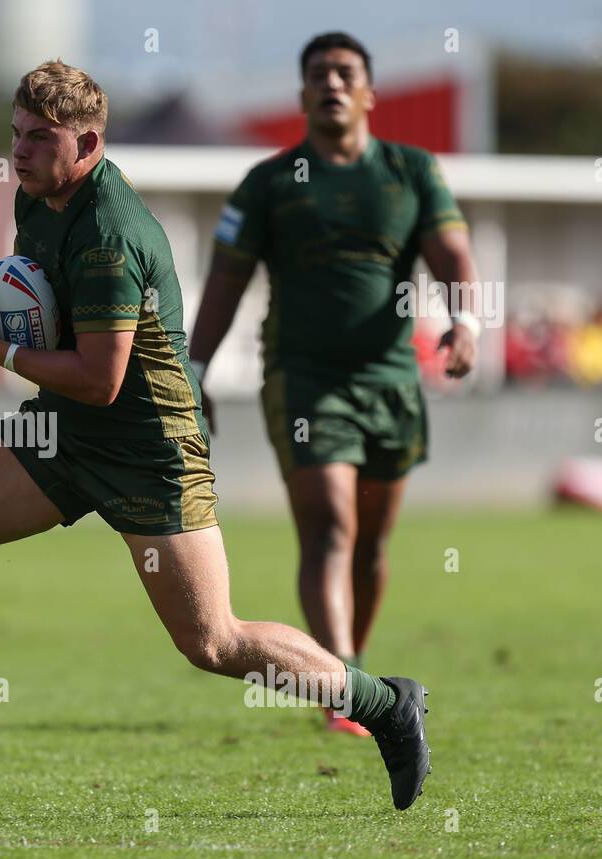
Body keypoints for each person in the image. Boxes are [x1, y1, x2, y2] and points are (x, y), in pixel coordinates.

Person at [0, 59, 432, 812]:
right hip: (68, 432)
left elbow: (102, 379)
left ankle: (386, 704)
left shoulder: (109, 234)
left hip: (149, 449)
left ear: (88, 144)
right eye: (17, 133)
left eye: (39, 138)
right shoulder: (39, 195)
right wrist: (0, 299)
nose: (20, 151)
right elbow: (56, 325)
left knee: (213, 643)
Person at [190, 33, 481, 735]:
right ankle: (347, 685)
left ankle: (349, 669)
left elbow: (454, 255)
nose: (332, 83)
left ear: (369, 92)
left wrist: (467, 322)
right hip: (304, 380)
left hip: (390, 380)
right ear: (302, 95)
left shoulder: (412, 172)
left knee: (372, 545)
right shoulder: (269, 182)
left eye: (346, 73)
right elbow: (226, 282)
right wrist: (194, 372)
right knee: (330, 527)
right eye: (318, 74)